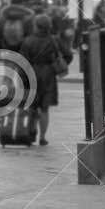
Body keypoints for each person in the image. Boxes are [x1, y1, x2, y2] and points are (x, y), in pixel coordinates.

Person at [16, 13, 69, 145]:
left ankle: (32, 131)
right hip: (48, 75)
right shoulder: (54, 40)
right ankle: (43, 137)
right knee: (45, 108)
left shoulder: (27, 41)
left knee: (32, 106)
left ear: (35, 25)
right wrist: (57, 66)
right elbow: (68, 55)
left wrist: (21, 79)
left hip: (31, 74)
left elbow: (23, 62)